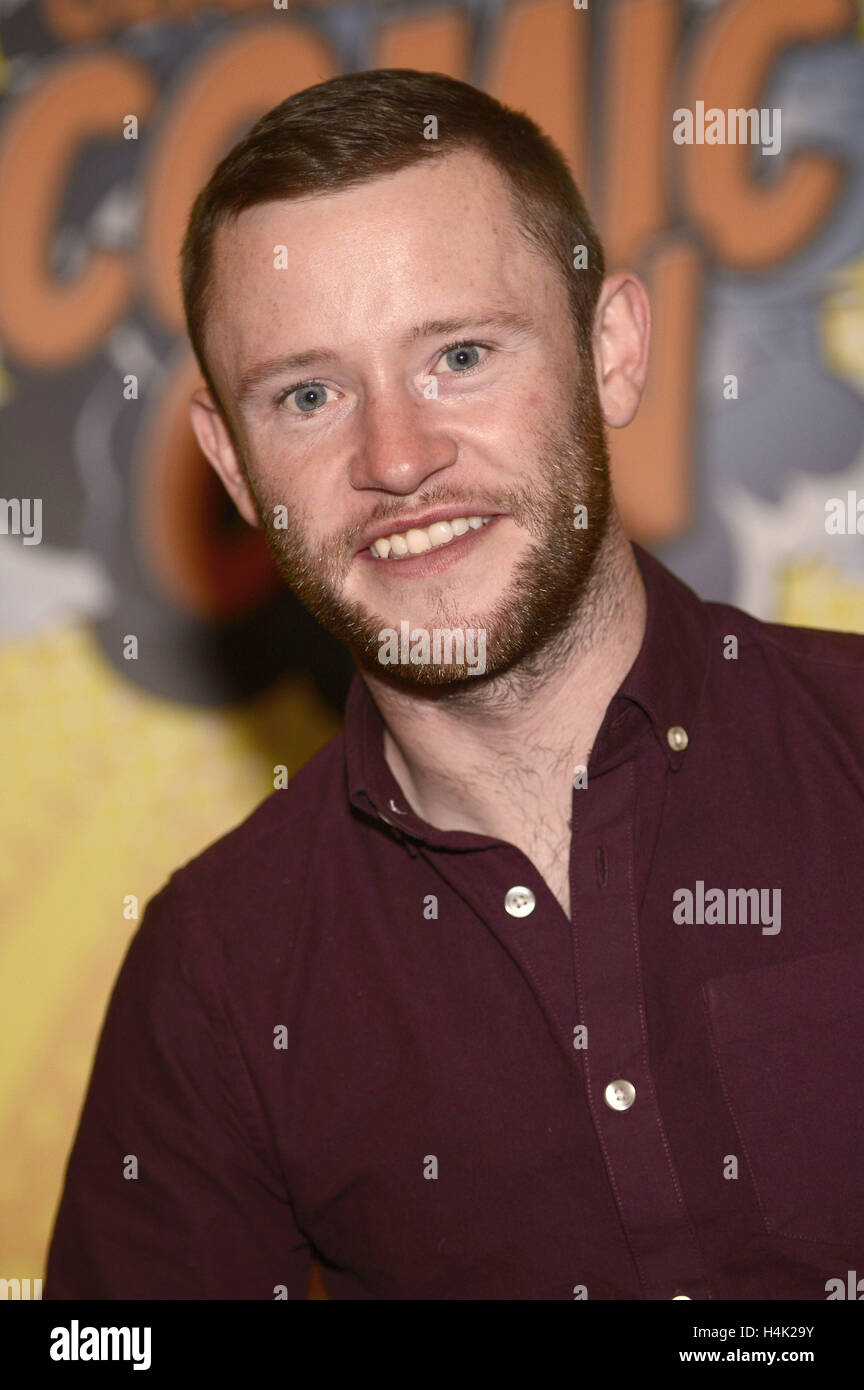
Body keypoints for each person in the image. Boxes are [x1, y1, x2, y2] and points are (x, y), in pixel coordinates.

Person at [45, 68, 864, 1301]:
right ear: (229, 459)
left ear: (614, 353)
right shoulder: (217, 975)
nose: (397, 457)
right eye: (309, 395)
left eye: (461, 355)